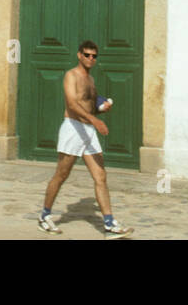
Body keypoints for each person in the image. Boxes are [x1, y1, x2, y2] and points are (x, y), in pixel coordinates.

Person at [38, 41, 131, 236]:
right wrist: (95, 121)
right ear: (79, 55)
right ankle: (45, 215)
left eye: (94, 56)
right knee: (61, 175)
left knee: (101, 176)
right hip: (73, 128)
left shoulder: (91, 80)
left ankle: (109, 223)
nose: (91, 59)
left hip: (88, 130)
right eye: (87, 55)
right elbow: (72, 104)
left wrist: (102, 107)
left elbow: (90, 104)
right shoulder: (71, 76)